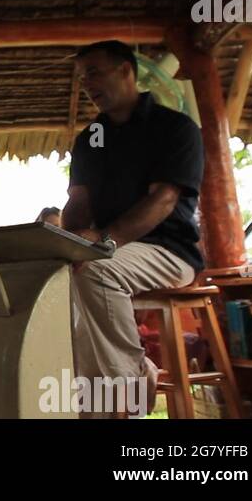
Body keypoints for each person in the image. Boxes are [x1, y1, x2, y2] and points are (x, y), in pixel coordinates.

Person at [63, 40, 203, 416]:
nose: (87, 84)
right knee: (62, 276)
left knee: (95, 269)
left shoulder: (175, 128)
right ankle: (97, 408)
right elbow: (79, 202)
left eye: (94, 72)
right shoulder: (90, 139)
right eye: (82, 77)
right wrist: (65, 244)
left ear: (127, 70)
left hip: (169, 251)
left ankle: (129, 386)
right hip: (111, 250)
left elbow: (164, 201)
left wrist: (104, 241)